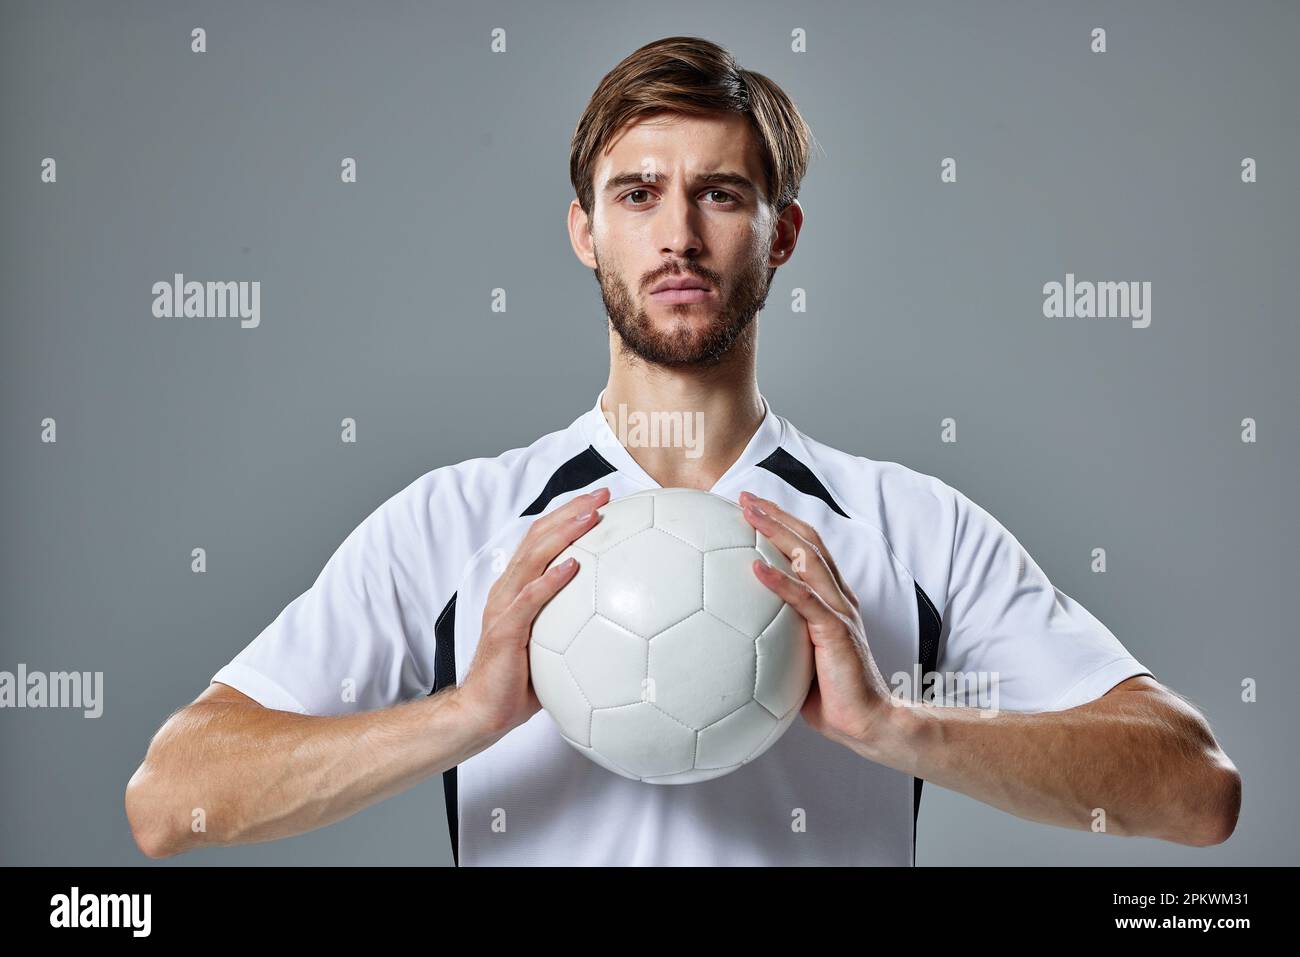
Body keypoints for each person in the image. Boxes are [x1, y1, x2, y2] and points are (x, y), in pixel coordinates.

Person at [125, 36, 1240, 865]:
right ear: (583, 230)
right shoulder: (455, 523)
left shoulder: (909, 526)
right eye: (637, 194)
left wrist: (894, 725)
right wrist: (465, 714)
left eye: (720, 193)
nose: (677, 235)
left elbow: (1196, 790)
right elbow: (171, 799)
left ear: (780, 232)